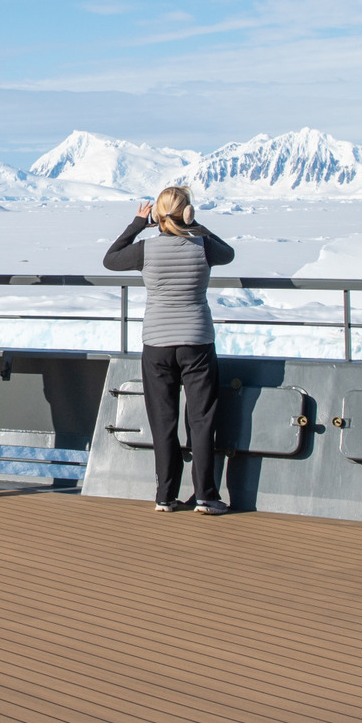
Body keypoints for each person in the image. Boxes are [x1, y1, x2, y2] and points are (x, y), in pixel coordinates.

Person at [103, 186, 236, 514]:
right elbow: (229, 252)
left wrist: (137, 224)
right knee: (201, 419)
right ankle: (205, 495)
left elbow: (110, 259)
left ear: (157, 216)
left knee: (163, 419)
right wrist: (196, 226)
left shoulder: (145, 250)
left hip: (157, 343)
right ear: (188, 212)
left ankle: (165, 495)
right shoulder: (203, 247)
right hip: (197, 341)